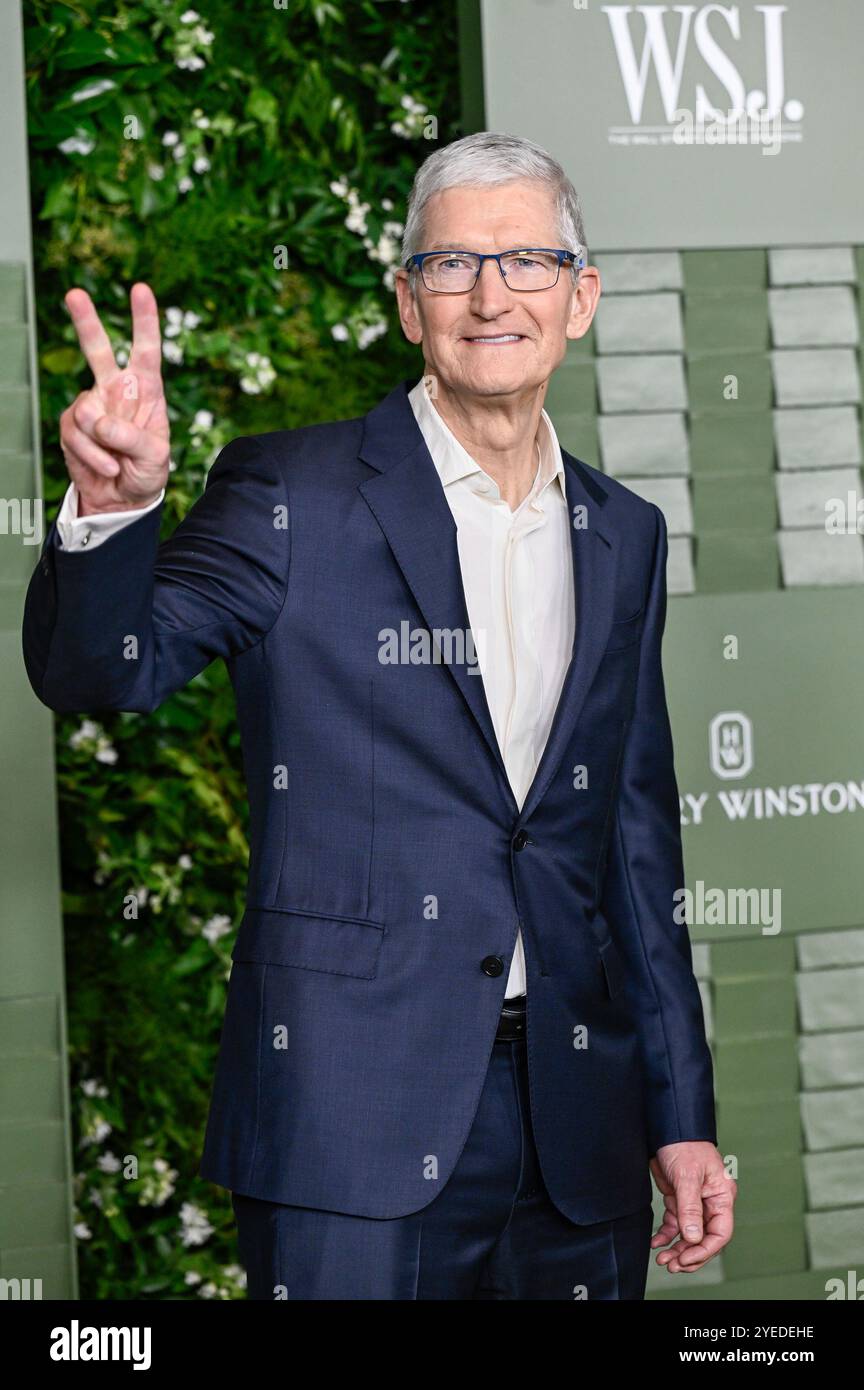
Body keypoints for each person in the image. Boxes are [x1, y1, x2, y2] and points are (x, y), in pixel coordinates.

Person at [22, 131, 736, 1300]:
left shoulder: (627, 532)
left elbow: (633, 843)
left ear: (583, 296)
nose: (492, 294)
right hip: (348, 1129)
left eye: (530, 261)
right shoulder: (289, 494)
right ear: (409, 304)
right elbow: (101, 672)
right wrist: (113, 513)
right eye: (452, 265)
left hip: (581, 1131)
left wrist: (681, 1111)